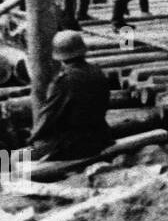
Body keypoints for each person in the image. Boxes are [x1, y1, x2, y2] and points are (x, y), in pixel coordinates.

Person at [27, 30, 112, 161]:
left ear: (60, 57)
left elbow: (48, 115)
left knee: (16, 158)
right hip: (100, 137)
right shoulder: (98, 71)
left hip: (73, 145)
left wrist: (32, 138)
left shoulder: (64, 81)